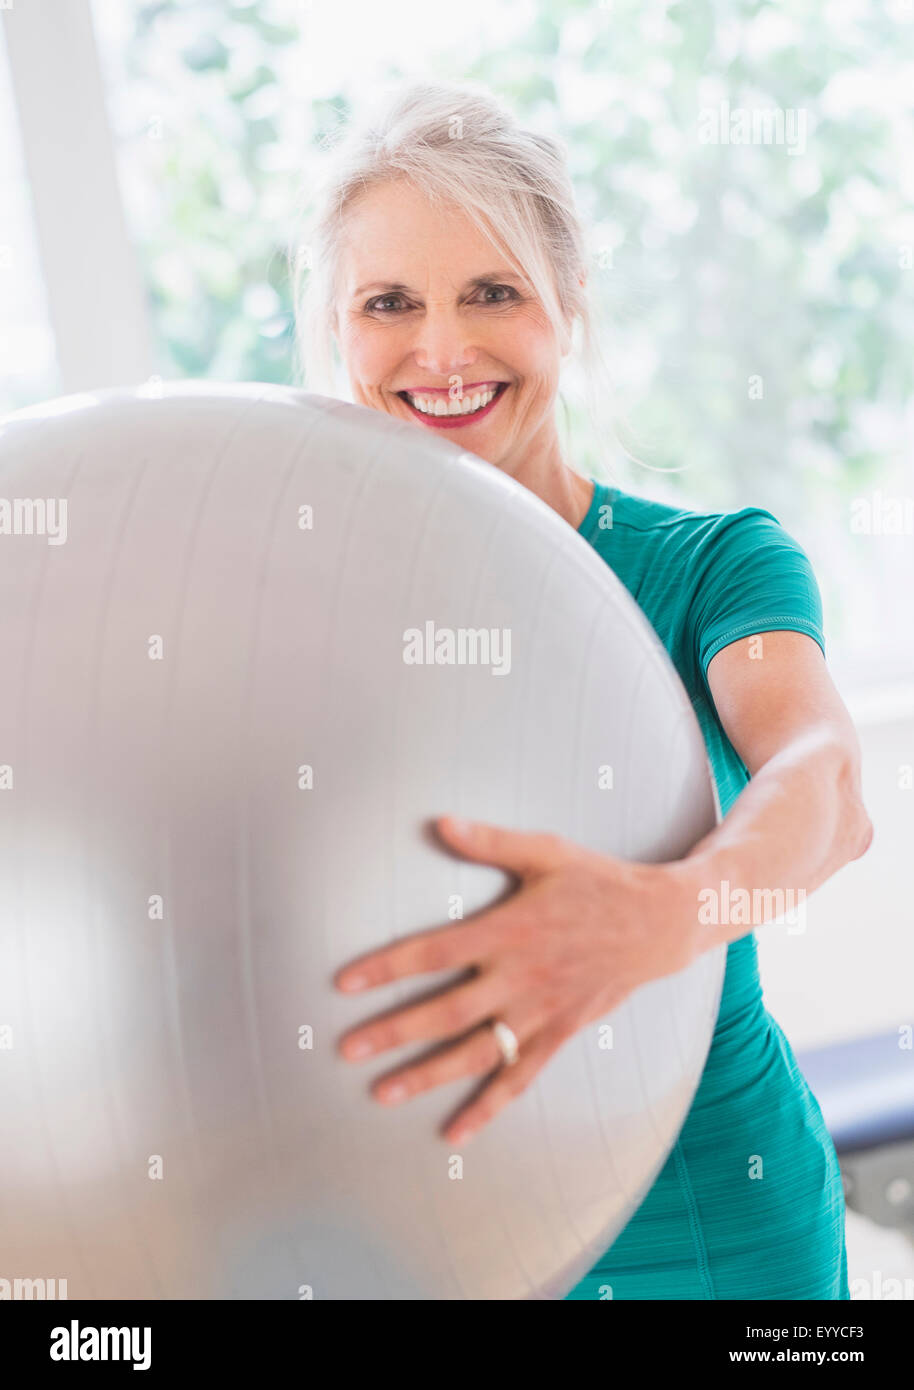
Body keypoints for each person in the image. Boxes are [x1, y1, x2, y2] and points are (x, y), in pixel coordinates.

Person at [290, 80, 873, 1299]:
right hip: (426, 1221)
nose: (440, 351)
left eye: (491, 292)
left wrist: (663, 914)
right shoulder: (300, 607)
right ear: (337, 332)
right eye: (388, 303)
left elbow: (821, 784)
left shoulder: (712, 565)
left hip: (713, 1213)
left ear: (567, 310)